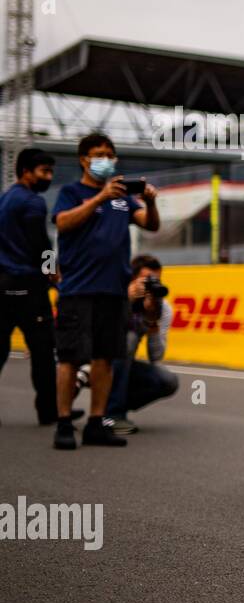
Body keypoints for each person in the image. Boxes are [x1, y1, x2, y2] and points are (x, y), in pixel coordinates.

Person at [50, 133, 159, 449]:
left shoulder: (124, 198)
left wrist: (150, 203)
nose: (106, 160)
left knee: (105, 358)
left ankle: (97, 421)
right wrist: (99, 197)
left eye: (110, 155)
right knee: (70, 358)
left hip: (114, 291)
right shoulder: (71, 192)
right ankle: (64, 422)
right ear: (84, 159)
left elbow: (150, 224)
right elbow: (62, 222)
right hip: (77, 290)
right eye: (99, 154)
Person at [0, 147, 72, 428]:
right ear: (26, 172)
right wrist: (53, 275)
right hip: (28, 287)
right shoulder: (32, 203)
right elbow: (40, 245)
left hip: (2, 285)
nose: (49, 177)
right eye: (44, 171)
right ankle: (49, 411)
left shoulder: (5, 199)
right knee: (43, 351)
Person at [106, 254, 178, 435]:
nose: (151, 285)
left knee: (167, 381)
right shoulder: (115, 292)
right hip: (96, 361)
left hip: (123, 365)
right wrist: (127, 301)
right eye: (146, 280)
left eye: (156, 280)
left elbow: (156, 357)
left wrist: (152, 320)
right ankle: (113, 413)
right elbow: (99, 331)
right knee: (128, 338)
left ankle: (104, 409)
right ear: (132, 278)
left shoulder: (163, 307)